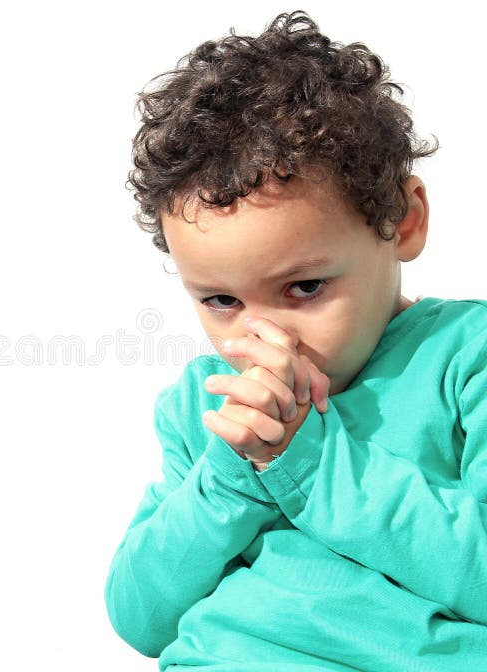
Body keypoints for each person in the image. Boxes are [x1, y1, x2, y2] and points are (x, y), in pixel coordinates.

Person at [104, 10, 487, 672]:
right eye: (221, 300)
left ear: (403, 220)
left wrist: (305, 460)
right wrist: (229, 479)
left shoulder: (463, 358)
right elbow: (141, 617)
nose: (265, 336)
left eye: (304, 287)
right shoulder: (206, 407)